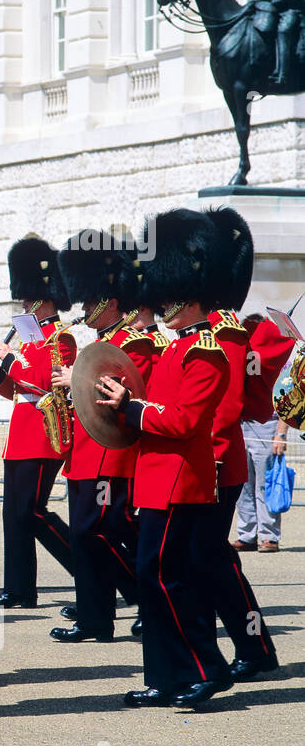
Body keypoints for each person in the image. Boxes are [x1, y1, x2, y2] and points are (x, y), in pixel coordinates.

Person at [97, 209, 233, 708]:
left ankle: (206, 668)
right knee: (153, 580)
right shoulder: (177, 349)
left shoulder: (207, 353)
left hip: (180, 482)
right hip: (155, 479)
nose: (161, 306)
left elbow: (182, 422)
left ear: (190, 294)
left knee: (170, 579)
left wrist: (131, 407)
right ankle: (163, 676)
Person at [48, 233, 155, 643]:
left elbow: (124, 393)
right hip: (84, 453)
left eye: (89, 302)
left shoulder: (136, 342)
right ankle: (95, 618)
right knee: (83, 536)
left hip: (112, 454)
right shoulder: (99, 342)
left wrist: (75, 379)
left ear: (110, 302)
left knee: (100, 531)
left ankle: (148, 599)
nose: (83, 310)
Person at [0, 236, 76, 609]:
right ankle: (19, 590)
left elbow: (43, 382)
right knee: (14, 516)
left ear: (45, 297)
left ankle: (89, 568)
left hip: (42, 435)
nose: (23, 303)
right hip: (20, 435)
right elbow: (20, 392)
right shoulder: (29, 339)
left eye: (28, 297)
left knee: (31, 512)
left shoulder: (61, 338)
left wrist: (9, 361)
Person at [202, 208, 277, 678]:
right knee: (208, 558)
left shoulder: (225, 330)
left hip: (217, 464)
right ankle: (247, 648)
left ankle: (254, 647)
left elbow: (227, 406)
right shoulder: (207, 325)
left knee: (214, 559)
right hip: (207, 462)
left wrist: (207, 459)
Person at [236, 312, 296, 552]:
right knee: (243, 483)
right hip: (241, 422)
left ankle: (269, 535)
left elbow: (287, 395)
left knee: (265, 483)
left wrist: (281, 433)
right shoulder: (242, 349)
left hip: (267, 424)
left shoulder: (279, 356)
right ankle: (246, 533)